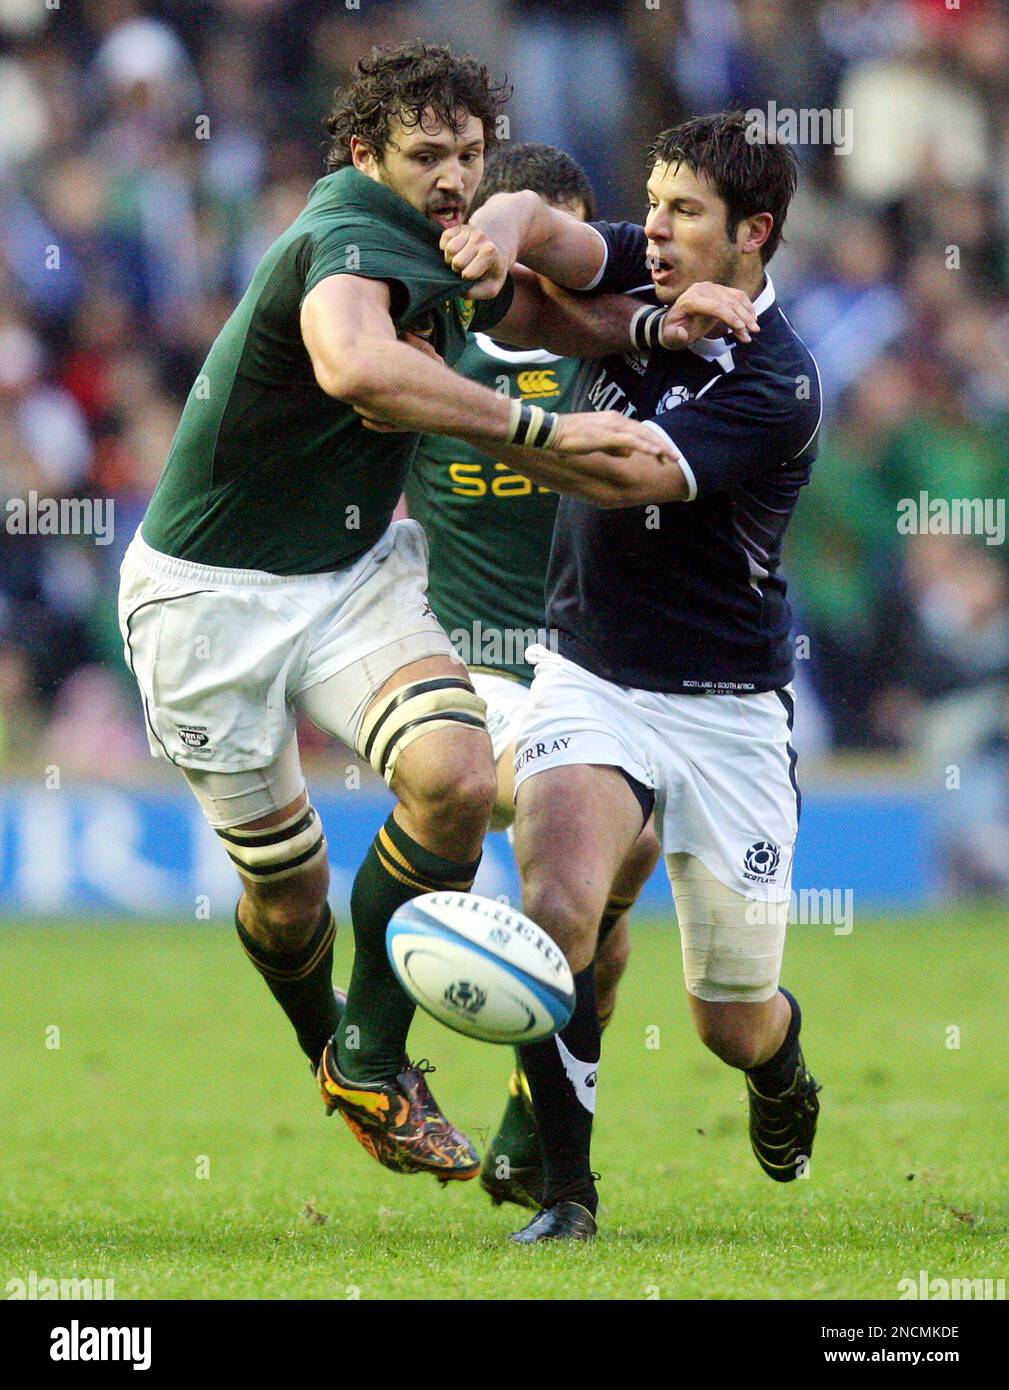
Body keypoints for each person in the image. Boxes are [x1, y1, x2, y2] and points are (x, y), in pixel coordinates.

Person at [117, 43, 677, 1188]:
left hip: (352, 572)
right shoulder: (346, 233)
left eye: (468, 154)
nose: (452, 177)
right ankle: (330, 1037)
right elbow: (356, 364)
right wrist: (534, 433)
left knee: (459, 779)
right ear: (365, 155)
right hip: (206, 601)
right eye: (426, 154)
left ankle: (369, 1054)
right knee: (287, 895)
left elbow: (546, 313)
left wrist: (664, 330)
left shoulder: (441, 238)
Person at [454, 110, 824, 1239]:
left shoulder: (782, 385)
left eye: (682, 213)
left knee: (727, 1016)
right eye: (650, 203)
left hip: (725, 711)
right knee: (557, 909)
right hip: (591, 673)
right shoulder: (644, 263)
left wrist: (470, 411)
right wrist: (498, 232)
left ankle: (781, 1067)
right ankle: (567, 1192)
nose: (650, 230)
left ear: (752, 235)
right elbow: (533, 239)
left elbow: (623, 474)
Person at [407, 142, 660, 1211]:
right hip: (475, 664)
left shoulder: (614, 360)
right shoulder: (431, 353)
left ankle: (530, 1113)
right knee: (558, 817)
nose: (544, 275)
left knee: (608, 904)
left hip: (594, 661)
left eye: (567, 248)